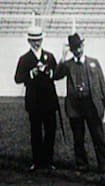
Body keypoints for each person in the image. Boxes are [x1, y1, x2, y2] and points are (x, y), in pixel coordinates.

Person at [54, 33, 105, 176]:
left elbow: (102, 83)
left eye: (79, 47)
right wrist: (62, 57)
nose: (78, 50)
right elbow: (56, 75)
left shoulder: (94, 62)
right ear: (71, 49)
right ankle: (82, 165)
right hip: (75, 105)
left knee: (98, 136)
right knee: (78, 138)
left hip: (91, 104)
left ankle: (104, 167)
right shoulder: (67, 65)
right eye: (74, 48)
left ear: (83, 46)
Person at [14, 26, 59, 172]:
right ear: (29, 41)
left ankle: (48, 160)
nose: (37, 43)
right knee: (36, 131)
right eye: (34, 40)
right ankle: (37, 161)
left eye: (39, 40)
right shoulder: (24, 59)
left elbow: (57, 73)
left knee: (51, 130)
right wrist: (31, 73)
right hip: (34, 101)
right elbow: (18, 78)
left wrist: (49, 71)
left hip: (49, 100)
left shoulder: (49, 56)